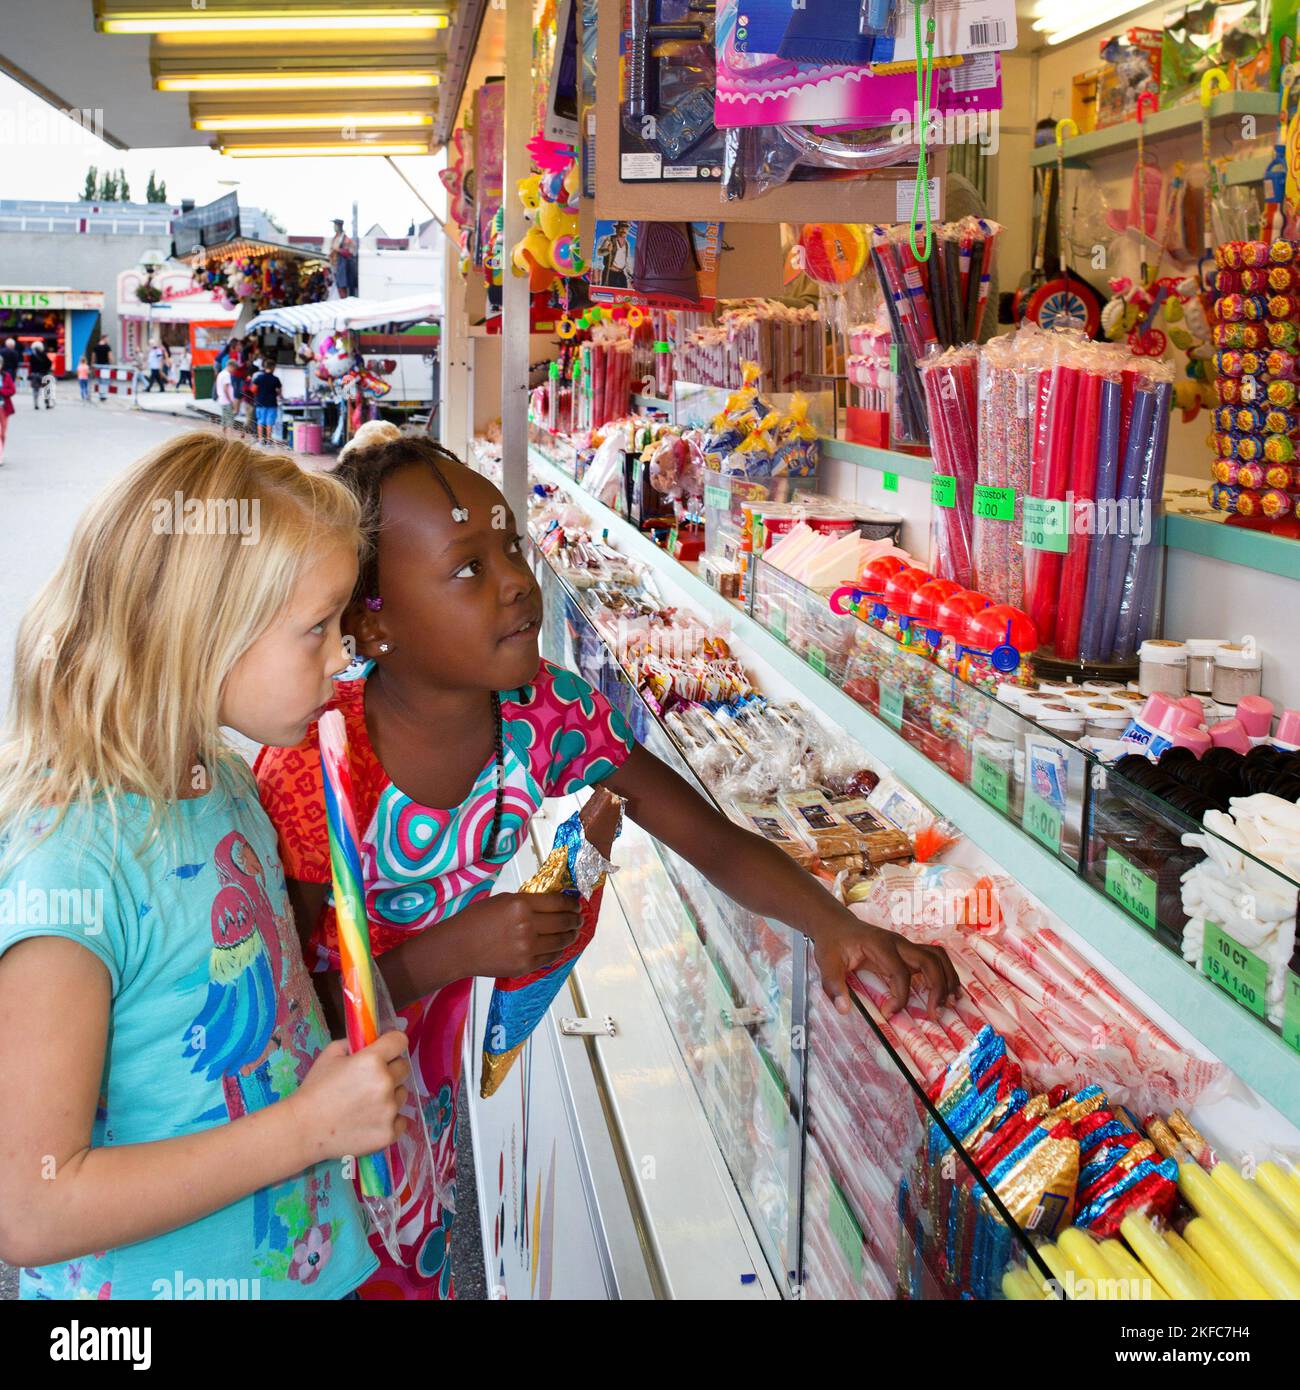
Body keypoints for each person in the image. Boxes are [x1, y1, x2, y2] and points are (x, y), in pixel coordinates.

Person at [254, 423, 957, 1299]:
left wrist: (836, 926)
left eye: (510, 543)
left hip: (418, 1075)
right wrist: (455, 954)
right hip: (303, 1104)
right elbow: (277, 1021)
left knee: (415, 1248)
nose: (516, 582)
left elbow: (710, 839)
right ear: (373, 620)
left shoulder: (542, 712)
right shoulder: (313, 768)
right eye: (467, 568)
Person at [0, 431, 409, 1300]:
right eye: (317, 629)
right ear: (202, 634)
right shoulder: (72, 867)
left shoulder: (222, 783)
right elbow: (30, 1212)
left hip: (298, 1264)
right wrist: (306, 1130)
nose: (343, 657)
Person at [252, 357, 283, 446]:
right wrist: (279, 395)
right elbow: (279, 391)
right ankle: (269, 441)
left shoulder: (259, 377)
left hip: (260, 402)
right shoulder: (275, 379)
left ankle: (260, 441)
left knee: (260, 421)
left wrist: (259, 394)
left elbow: (253, 389)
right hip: (271, 403)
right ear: (273, 367)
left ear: (265, 367)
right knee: (270, 422)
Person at [329, 218, 358, 298]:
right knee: (339, 287)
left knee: (342, 288)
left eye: (335, 225)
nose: (333, 227)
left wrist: (337, 249)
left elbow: (350, 252)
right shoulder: (335, 238)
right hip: (336, 266)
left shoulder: (345, 239)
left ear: (339, 226)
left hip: (343, 266)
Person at [215, 355, 238, 436]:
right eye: (234, 369)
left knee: (224, 421)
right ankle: (230, 438)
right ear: (231, 366)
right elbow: (225, 389)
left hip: (222, 400)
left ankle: (222, 436)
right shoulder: (226, 375)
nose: (234, 371)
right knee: (230, 422)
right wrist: (231, 401)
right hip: (226, 401)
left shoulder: (221, 373)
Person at [27, 341, 53, 410]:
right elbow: (49, 363)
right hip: (43, 375)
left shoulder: (32, 356)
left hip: (34, 375)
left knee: (35, 390)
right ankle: (47, 404)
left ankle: (36, 404)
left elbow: (31, 366)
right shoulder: (44, 355)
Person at [0, 357, 15, 463]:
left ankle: (1, 452)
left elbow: (12, 390)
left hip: (3, 407)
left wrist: (1, 391)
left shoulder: (6, 376)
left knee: (2, 433)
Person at [91, 334, 112, 401]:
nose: (108, 340)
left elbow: (93, 357)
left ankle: (101, 394)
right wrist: (111, 364)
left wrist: (93, 365)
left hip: (98, 365)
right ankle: (104, 395)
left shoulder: (96, 346)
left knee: (100, 380)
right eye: (107, 338)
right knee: (105, 380)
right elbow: (110, 357)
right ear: (104, 338)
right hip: (105, 365)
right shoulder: (107, 347)